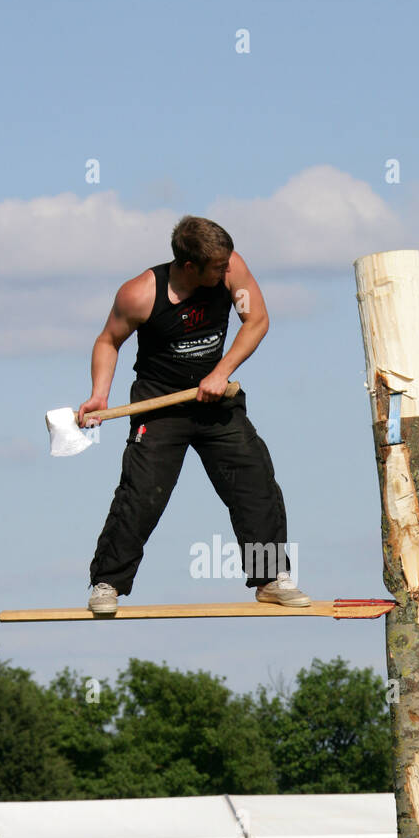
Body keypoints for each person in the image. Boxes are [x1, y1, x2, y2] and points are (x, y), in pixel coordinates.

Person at [80, 215, 310, 614]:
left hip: (214, 401)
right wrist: (100, 395)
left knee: (254, 481)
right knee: (142, 495)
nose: (228, 270)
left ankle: (270, 577)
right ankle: (107, 584)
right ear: (190, 266)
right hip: (160, 405)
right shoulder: (139, 295)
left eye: (226, 263)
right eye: (218, 267)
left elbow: (256, 320)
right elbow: (108, 340)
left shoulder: (230, 268)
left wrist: (221, 373)